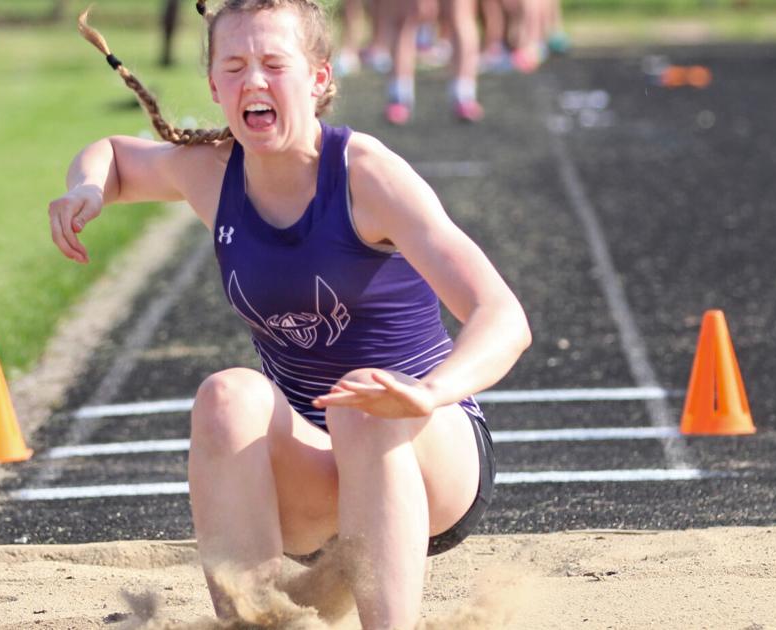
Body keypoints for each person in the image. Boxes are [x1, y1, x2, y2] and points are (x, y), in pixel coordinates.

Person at [49, 1, 531, 628]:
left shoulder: (367, 176)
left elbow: (503, 316)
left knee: (362, 404)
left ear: (320, 78)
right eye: (235, 66)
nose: (254, 80)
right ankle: (254, 621)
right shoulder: (211, 175)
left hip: (428, 451)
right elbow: (112, 155)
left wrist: (429, 392)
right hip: (313, 473)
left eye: (274, 64)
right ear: (215, 87)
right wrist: (86, 187)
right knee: (225, 396)